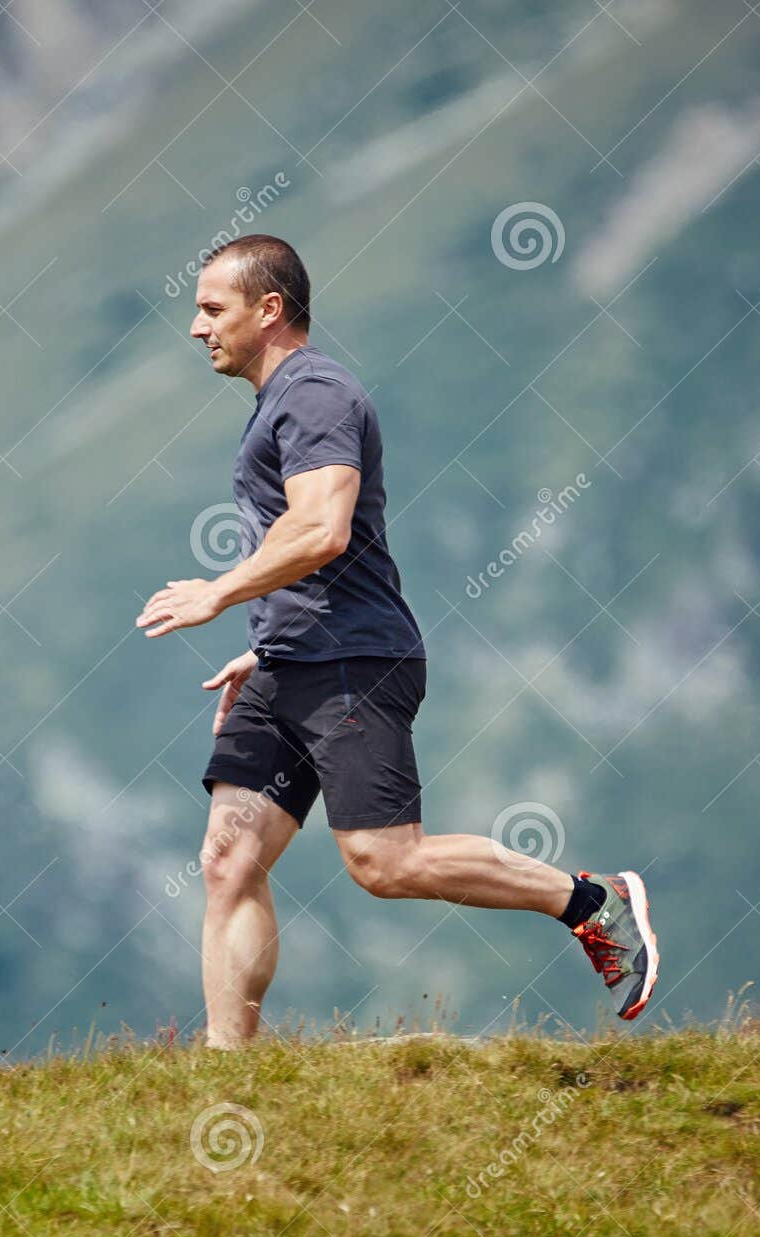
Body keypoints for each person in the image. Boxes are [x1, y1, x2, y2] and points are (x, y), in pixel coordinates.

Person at [135, 235, 658, 1049]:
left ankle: (592, 901)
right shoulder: (279, 400)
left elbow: (321, 529)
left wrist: (218, 592)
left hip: (352, 663)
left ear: (268, 309)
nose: (196, 328)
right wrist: (265, 638)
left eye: (211, 309)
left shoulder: (314, 394)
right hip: (292, 659)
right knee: (228, 859)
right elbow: (300, 545)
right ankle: (225, 1071)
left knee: (385, 863)